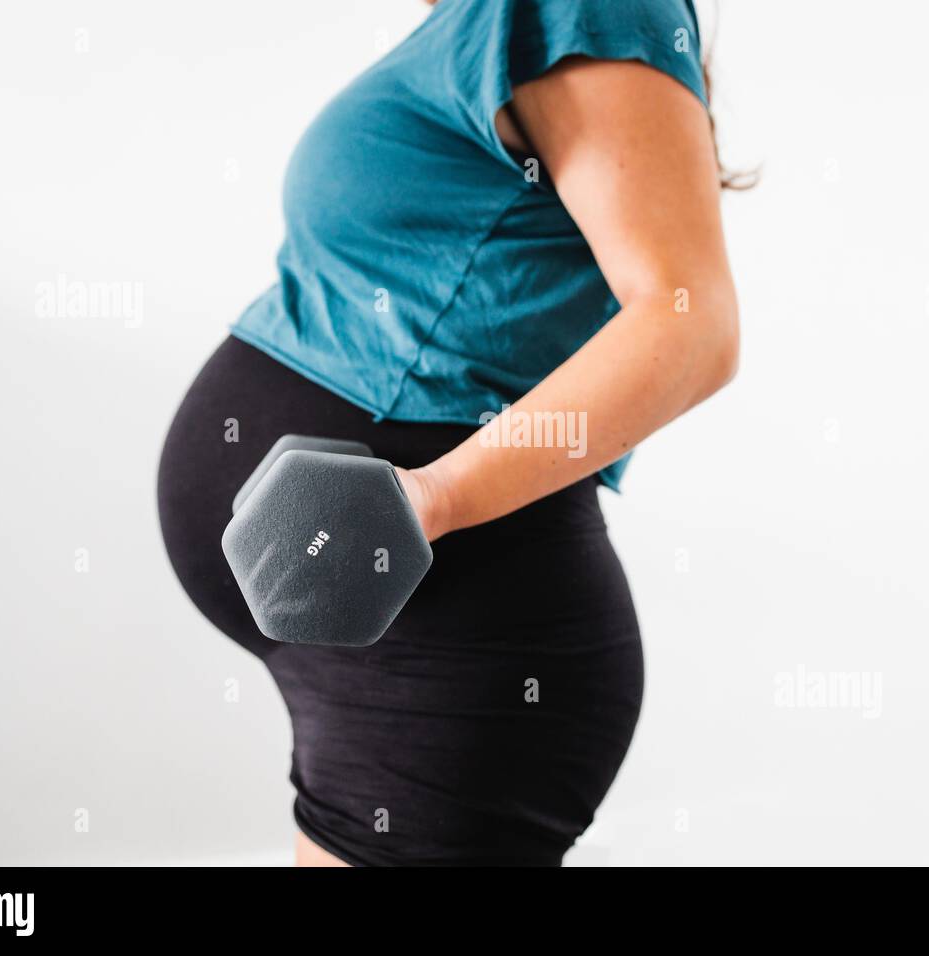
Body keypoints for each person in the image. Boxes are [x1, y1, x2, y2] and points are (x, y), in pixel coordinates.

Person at [157, 0, 740, 866]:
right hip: (370, 630)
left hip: (452, 632)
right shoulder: (481, 20)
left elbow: (692, 324)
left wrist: (428, 497)